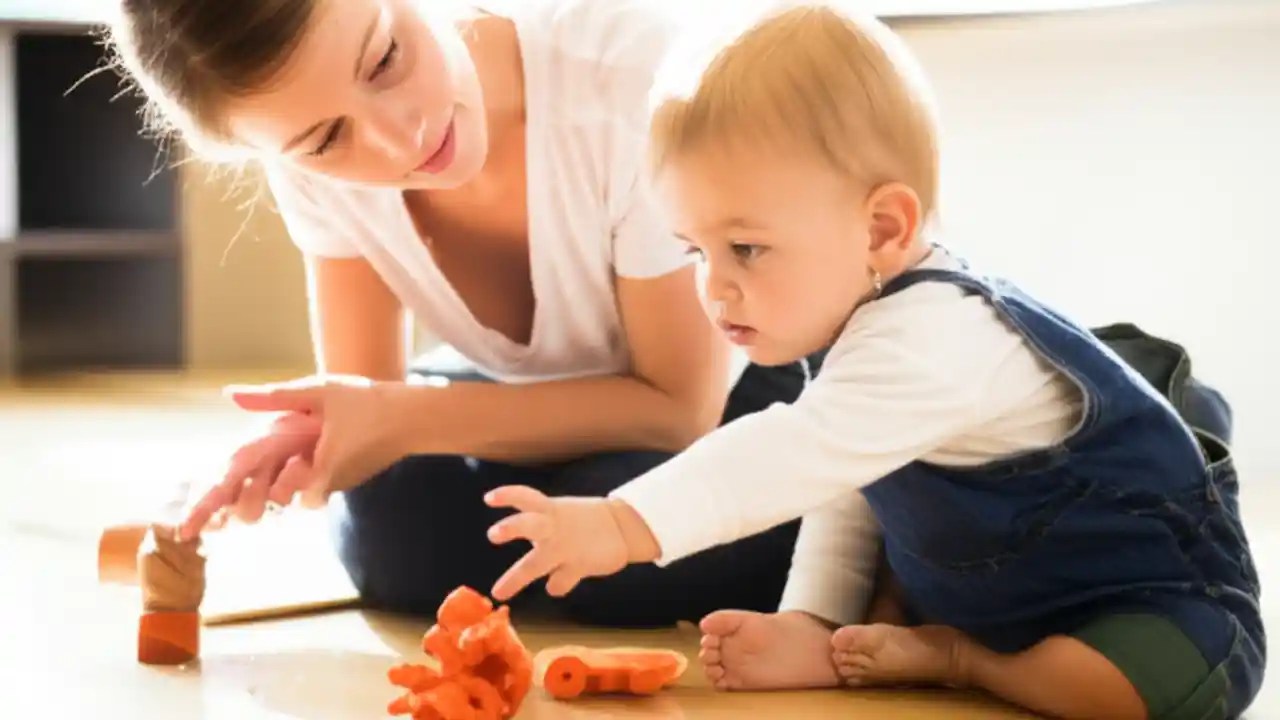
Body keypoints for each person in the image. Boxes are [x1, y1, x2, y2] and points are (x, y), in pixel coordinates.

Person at [480, 4, 1266, 718]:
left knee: (1129, 692)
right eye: (696, 249)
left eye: (746, 248)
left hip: (1149, 601)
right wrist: (811, 618)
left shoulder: (935, 334)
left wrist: (624, 522)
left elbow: (790, 455)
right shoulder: (861, 328)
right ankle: (897, 641)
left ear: (884, 228)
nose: (714, 286)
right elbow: (845, 484)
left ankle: (965, 663)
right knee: (885, 557)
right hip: (1001, 590)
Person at [104, 0, 806, 627]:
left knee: (618, 549)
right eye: (324, 141)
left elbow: (679, 408)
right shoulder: (306, 170)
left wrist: (396, 418)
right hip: (528, 399)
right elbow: (365, 406)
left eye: (384, 59)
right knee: (394, 533)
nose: (397, 137)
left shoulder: (628, 80)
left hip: (741, 387)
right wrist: (285, 452)